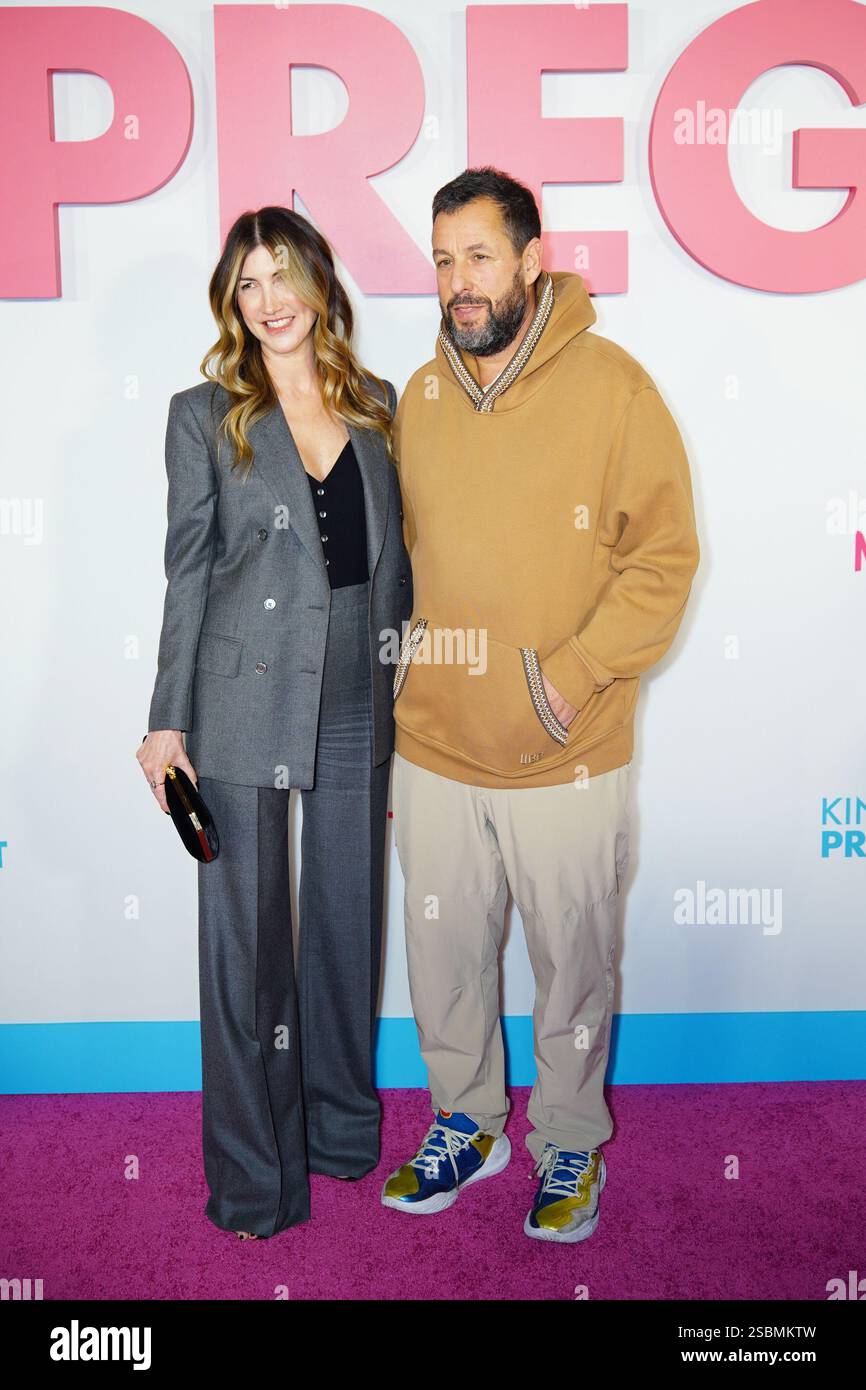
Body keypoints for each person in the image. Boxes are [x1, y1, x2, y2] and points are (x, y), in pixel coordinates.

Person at [382, 166, 700, 1242]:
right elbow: (401, 567)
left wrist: (568, 672)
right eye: (441, 260)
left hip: (568, 749)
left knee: (572, 963)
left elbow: (662, 559)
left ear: (528, 258)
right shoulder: (414, 400)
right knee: (443, 962)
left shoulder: (614, 386)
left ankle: (566, 1140)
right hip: (432, 749)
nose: (457, 282)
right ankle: (464, 1123)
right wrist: (396, 705)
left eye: (477, 256)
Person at [136, 206, 412, 1239]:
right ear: (232, 301)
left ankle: (341, 1135)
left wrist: (406, 681)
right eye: (248, 284)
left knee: (345, 922)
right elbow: (189, 567)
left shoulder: (377, 402)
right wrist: (168, 721)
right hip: (240, 690)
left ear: (317, 282)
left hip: (353, 692)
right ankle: (255, 1182)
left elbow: (399, 564)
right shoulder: (202, 413)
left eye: (284, 274)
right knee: (244, 946)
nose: (270, 300)